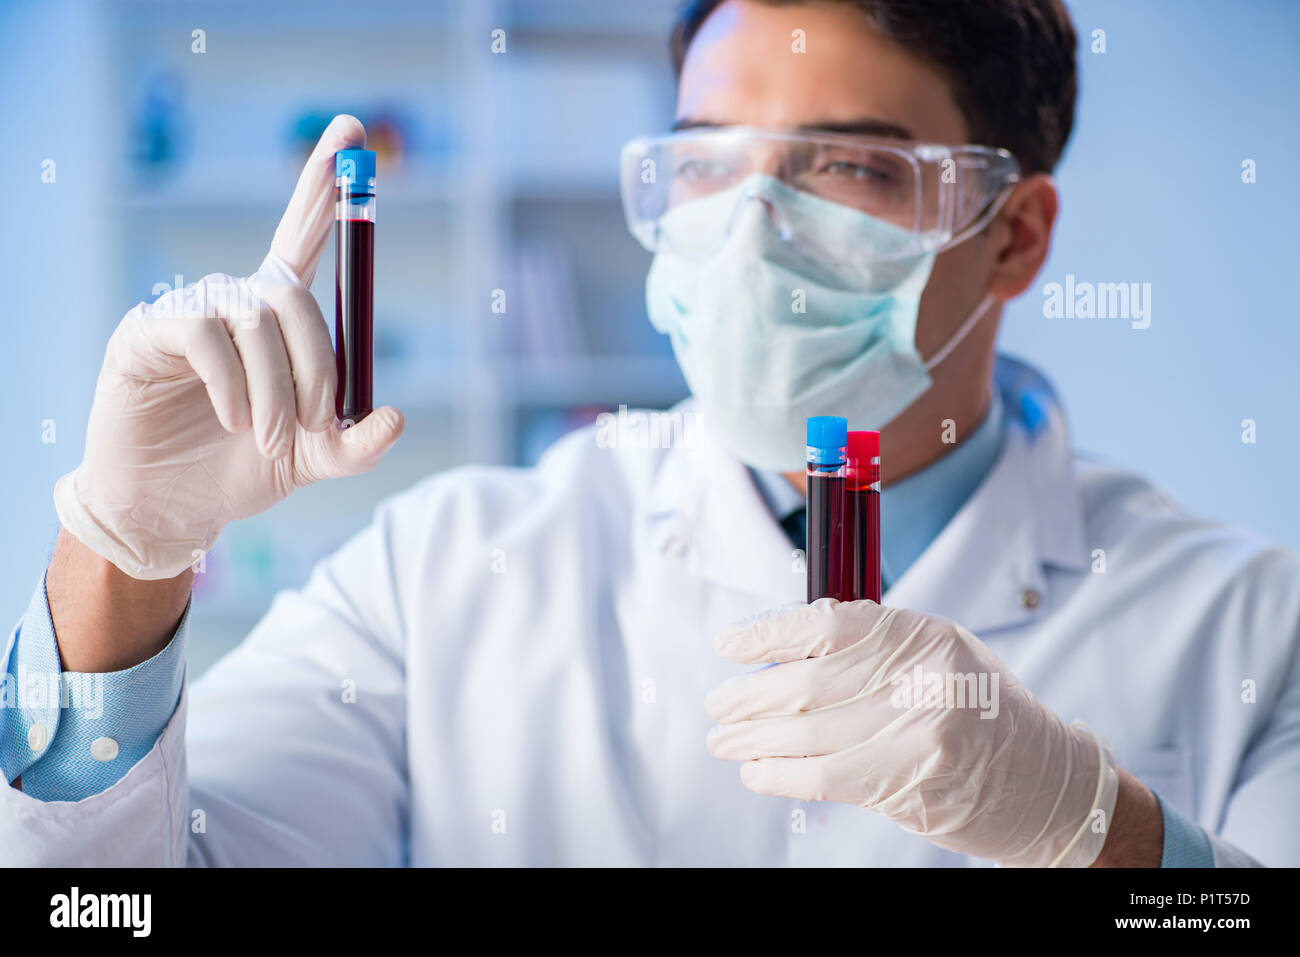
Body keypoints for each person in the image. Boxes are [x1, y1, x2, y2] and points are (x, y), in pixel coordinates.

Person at [2, 0, 1296, 867]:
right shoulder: (443, 576)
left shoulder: (1249, 629)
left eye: (846, 167)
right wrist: (119, 556)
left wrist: (1104, 832)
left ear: (1013, 234)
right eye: (703, 162)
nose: (745, 230)